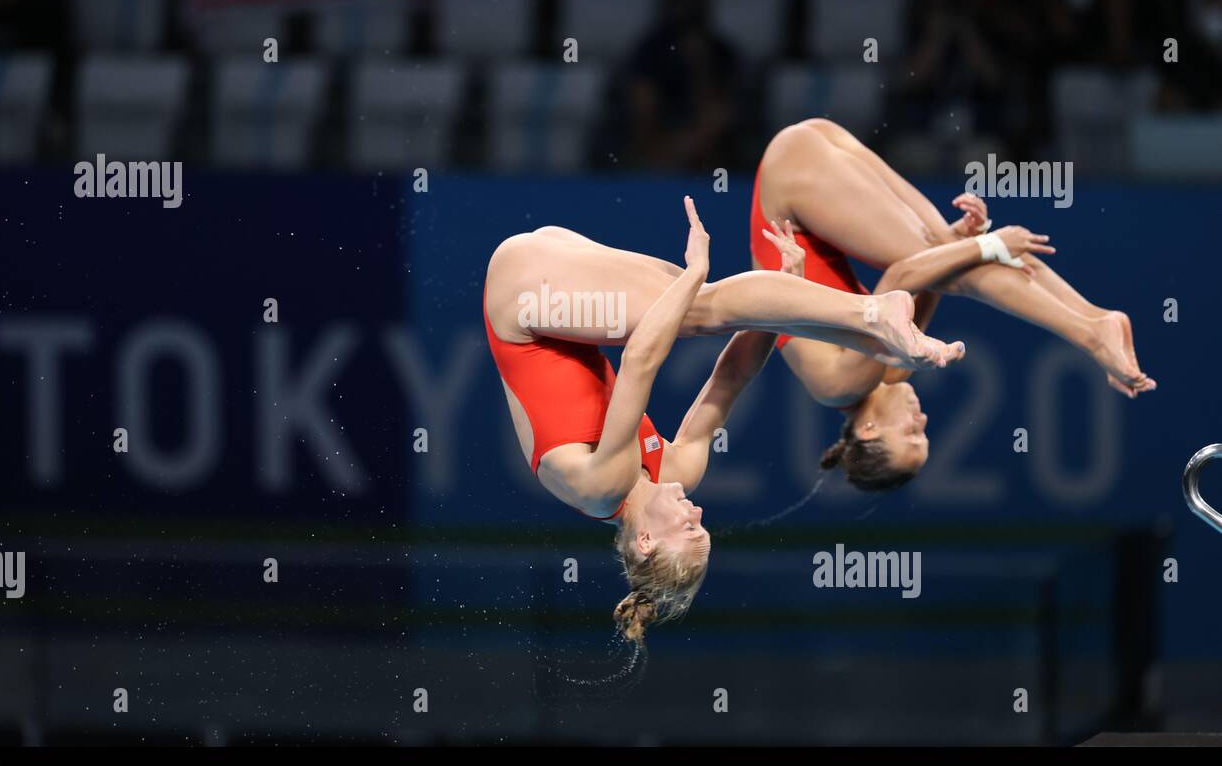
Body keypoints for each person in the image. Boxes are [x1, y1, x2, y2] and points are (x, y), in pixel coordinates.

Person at [483, 197, 963, 642]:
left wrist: (697, 272)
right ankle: (873, 325)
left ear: (645, 541)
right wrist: (783, 301)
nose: (698, 513)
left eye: (689, 528)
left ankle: (874, 316)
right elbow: (731, 378)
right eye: (702, 526)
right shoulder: (679, 473)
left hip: (522, 299)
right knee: (710, 308)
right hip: (558, 296)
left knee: (699, 308)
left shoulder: (602, 486)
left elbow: (641, 361)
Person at [751, 117, 1152, 492]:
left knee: (966, 261)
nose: (922, 421)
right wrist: (966, 240)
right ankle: (1095, 316)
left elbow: (899, 278)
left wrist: (986, 244)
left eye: (911, 434)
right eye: (923, 434)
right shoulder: (891, 374)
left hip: (791, 181)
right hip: (811, 149)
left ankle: (1093, 335)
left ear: (869, 428)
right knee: (955, 255)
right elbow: (926, 280)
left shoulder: (840, 387)